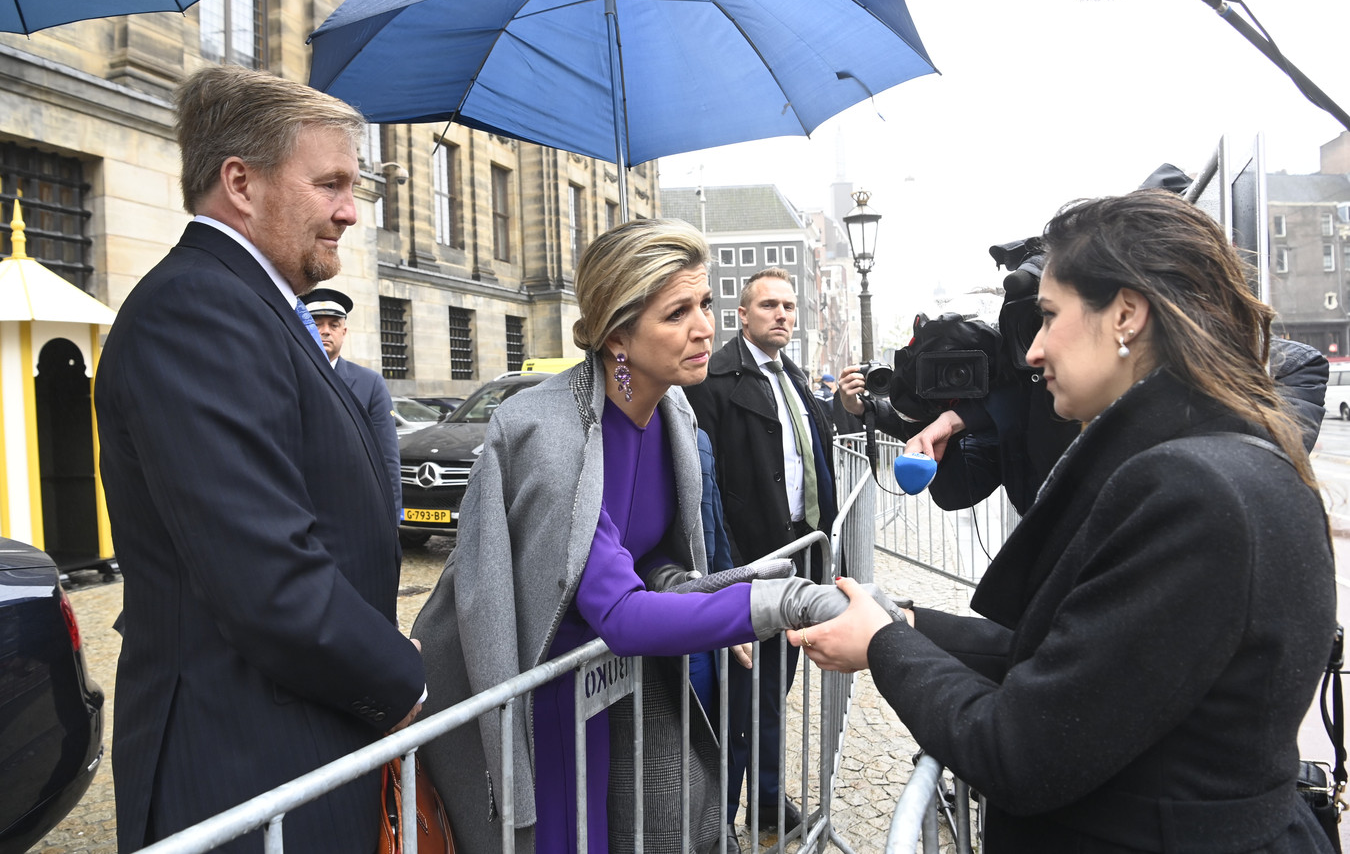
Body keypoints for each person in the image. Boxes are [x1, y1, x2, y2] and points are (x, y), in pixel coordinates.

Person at [798, 189, 1338, 853]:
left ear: (1126, 316)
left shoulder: (1191, 492)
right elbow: (1082, 666)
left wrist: (884, 645)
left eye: (1049, 317)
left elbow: (1020, 751)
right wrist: (910, 625)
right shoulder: (1212, 464)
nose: (1031, 352)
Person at [412, 219, 869, 854]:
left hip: (605, 682)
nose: (705, 327)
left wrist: (705, 590)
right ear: (617, 336)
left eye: (704, 303)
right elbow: (621, 613)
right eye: (677, 313)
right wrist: (785, 602)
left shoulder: (673, 411)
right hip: (538, 691)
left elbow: (645, 553)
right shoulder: (551, 436)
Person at [94, 65, 426, 854]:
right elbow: (268, 576)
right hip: (240, 763)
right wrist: (401, 681)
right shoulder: (197, 308)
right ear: (241, 183)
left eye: (354, 186)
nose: (350, 211)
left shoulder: (249, 302)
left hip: (291, 745)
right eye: (330, 184)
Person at [684, 268, 839, 837]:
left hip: (801, 556)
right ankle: (718, 823)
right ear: (742, 315)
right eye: (770, 304)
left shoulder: (792, 375)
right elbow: (706, 489)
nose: (782, 314)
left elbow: (810, 458)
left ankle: (768, 802)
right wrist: (728, 578)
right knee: (738, 702)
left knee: (774, 693)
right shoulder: (713, 379)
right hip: (748, 565)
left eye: (789, 306)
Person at [300, 287, 403, 520]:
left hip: (353, 510)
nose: (326, 331)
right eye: (317, 323)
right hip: (301, 510)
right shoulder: (288, 375)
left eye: (333, 325)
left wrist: (392, 518)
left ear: (344, 332)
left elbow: (387, 457)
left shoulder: (370, 383)